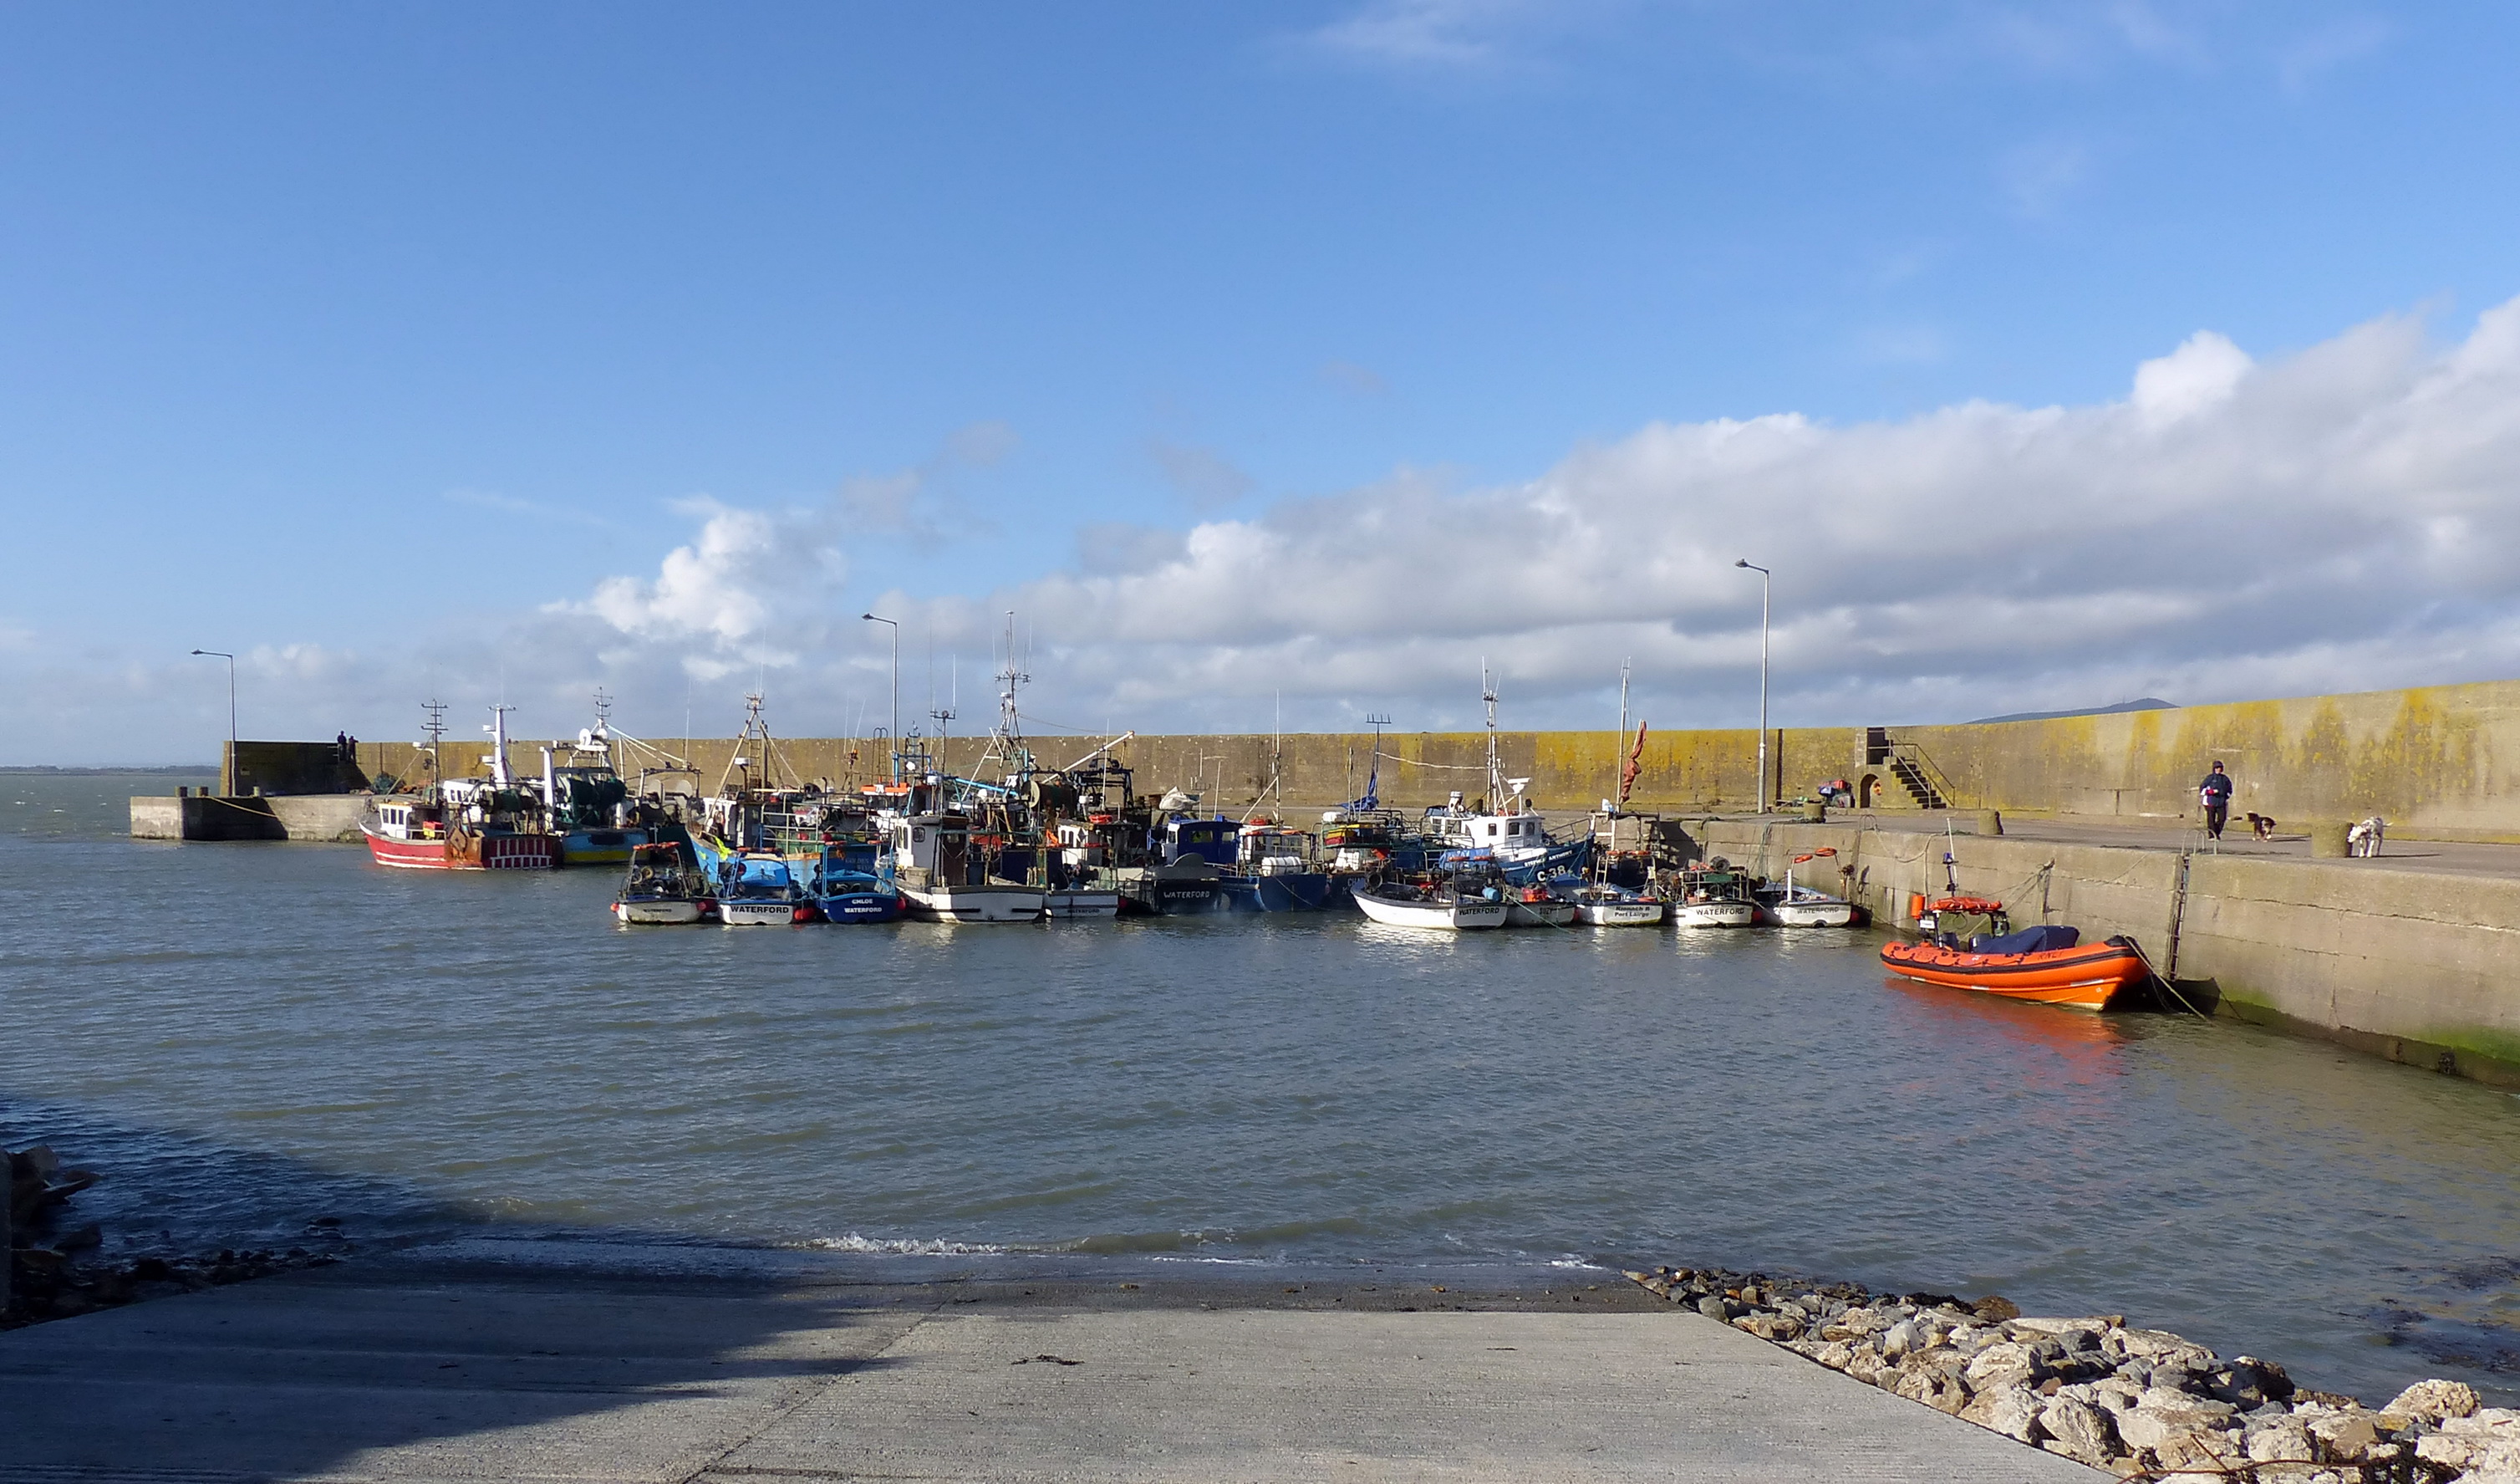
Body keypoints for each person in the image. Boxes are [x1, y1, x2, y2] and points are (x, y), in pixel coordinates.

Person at [2197, 761, 2235, 840]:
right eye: (2217, 768)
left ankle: (2216, 833)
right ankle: (2211, 835)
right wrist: (2209, 792)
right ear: (2214, 769)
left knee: (2222, 818)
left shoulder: (2225, 779)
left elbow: (2229, 789)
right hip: (2210, 802)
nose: (2218, 769)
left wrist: (2226, 796)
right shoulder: (2210, 778)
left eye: (2220, 768)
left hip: (2221, 802)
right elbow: (2202, 788)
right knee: (2211, 819)